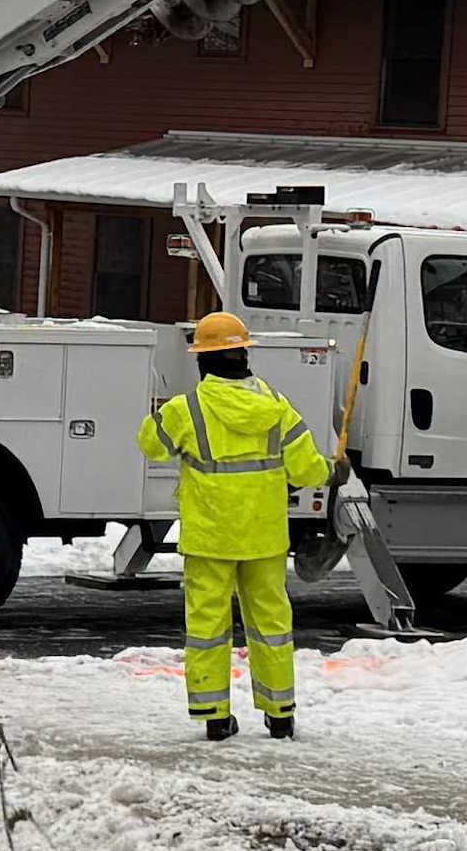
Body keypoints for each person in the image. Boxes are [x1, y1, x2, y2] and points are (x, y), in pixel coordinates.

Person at [133, 312, 330, 742]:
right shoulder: (277, 407)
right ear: (244, 356)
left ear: (203, 361)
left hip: (209, 538)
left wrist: (157, 412)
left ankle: (214, 715)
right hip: (264, 537)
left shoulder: (187, 411)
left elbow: (150, 445)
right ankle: (280, 714)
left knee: (207, 627)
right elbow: (309, 469)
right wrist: (333, 470)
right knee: (272, 626)